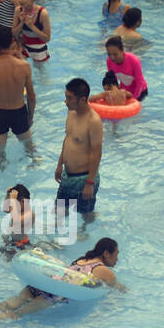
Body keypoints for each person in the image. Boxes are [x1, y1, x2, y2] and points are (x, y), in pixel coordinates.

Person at [0, 238, 121, 322]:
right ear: (106, 253)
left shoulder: (81, 260)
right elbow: (119, 289)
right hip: (54, 294)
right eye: (116, 254)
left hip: (42, 283)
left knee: (8, 304)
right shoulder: (104, 270)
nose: (117, 259)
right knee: (16, 315)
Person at [56, 77, 104, 224]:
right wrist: (59, 164)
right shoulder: (71, 112)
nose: (66, 101)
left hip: (84, 179)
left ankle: (86, 233)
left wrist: (89, 183)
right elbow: (68, 139)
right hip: (67, 176)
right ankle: (57, 235)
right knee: (59, 210)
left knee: (86, 214)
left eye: (69, 98)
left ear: (82, 99)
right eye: (66, 97)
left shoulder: (93, 121)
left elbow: (97, 152)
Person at [0, 34, 37, 156]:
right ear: (12, 42)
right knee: (30, 148)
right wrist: (30, 117)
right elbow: (31, 97)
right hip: (19, 112)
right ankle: (34, 163)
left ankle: (1, 169)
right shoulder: (24, 66)